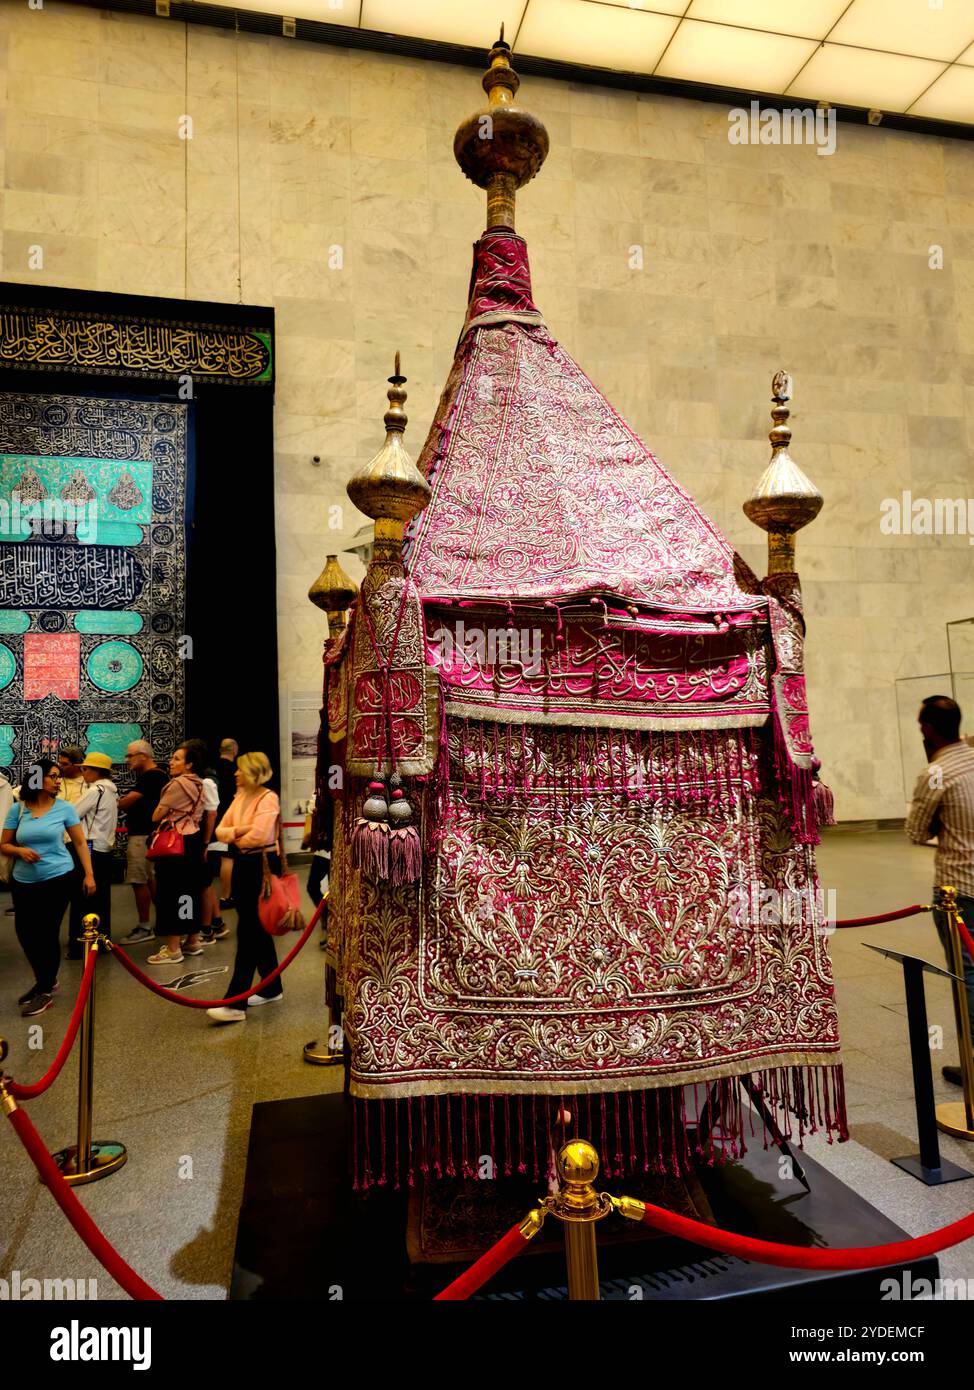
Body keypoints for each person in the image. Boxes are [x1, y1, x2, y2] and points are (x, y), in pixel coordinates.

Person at [905, 695, 974, 1086]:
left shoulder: (937, 772)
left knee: (969, 977)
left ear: (927, 730)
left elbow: (917, 832)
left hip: (958, 889)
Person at [0, 757, 96, 1017]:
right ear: (36, 779)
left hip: (58, 878)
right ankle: (46, 979)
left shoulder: (64, 808)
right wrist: (20, 851)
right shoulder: (18, 810)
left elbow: (79, 843)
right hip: (24, 881)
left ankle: (44, 989)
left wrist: (89, 875)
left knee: (46, 932)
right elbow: (4, 844)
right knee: (25, 932)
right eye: (52, 776)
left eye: (58, 776)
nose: (57, 781)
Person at [206, 751, 283, 1024]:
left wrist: (236, 832)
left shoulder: (268, 797)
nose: (235, 773)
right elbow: (220, 831)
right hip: (242, 864)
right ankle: (272, 987)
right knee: (254, 926)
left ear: (253, 772)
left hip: (260, 866)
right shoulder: (240, 796)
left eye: (240, 770)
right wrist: (240, 832)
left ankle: (236, 1002)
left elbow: (259, 835)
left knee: (249, 930)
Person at [147, 740, 208, 965]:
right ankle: (193, 939)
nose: (171, 762)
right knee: (189, 892)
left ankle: (173, 948)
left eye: (177, 759)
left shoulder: (177, 784)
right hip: (193, 841)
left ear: (189, 765)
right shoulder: (201, 784)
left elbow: (156, 815)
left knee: (171, 893)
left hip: (175, 843)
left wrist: (163, 811)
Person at [118, 741, 168, 945]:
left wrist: (117, 802)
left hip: (142, 836)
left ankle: (145, 926)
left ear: (143, 756)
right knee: (151, 879)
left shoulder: (151, 776)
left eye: (130, 756)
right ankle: (165, 921)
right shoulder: (157, 776)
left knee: (140, 880)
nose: (127, 760)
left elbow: (126, 802)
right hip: (150, 835)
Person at [68, 752, 119, 951]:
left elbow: (72, 814)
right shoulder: (112, 791)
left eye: (86, 768)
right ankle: (101, 938)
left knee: (82, 896)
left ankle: (80, 943)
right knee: (101, 896)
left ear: (97, 771)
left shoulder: (95, 790)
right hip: (105, 848)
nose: (83, 772)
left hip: (89, 846)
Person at [216, 738, 238, 909]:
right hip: (229, 818)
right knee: (228, 857)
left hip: (214, 817)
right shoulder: (235, 771)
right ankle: (226, 895)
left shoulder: (212, 769)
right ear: (234, 750)